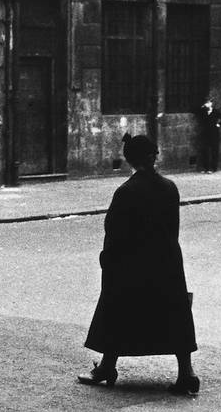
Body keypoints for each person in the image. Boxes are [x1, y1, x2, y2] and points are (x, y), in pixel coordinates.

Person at [77, 133, 199, 395]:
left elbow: (115, 232)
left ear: (128, 159)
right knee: (175, 315)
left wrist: (108, 261)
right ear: (153, 157)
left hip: (132, 264)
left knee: (117, 309)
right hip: (166, 262)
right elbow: (172, 228)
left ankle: (107, 366)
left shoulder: (126, 192)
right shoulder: (170, 188)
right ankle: (186, 374)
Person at [194, 98, 221, 173]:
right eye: (206, 103)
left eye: (208, 103)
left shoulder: (216, 111)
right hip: (205, 133)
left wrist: (219, 124)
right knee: (205, 150)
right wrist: (202, 106)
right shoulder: (203, 111)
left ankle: (213, 168)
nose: (207, 104)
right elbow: (195, 111)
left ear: (211, 103)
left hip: (214, 133)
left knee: (214, 150)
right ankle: (206, 167)